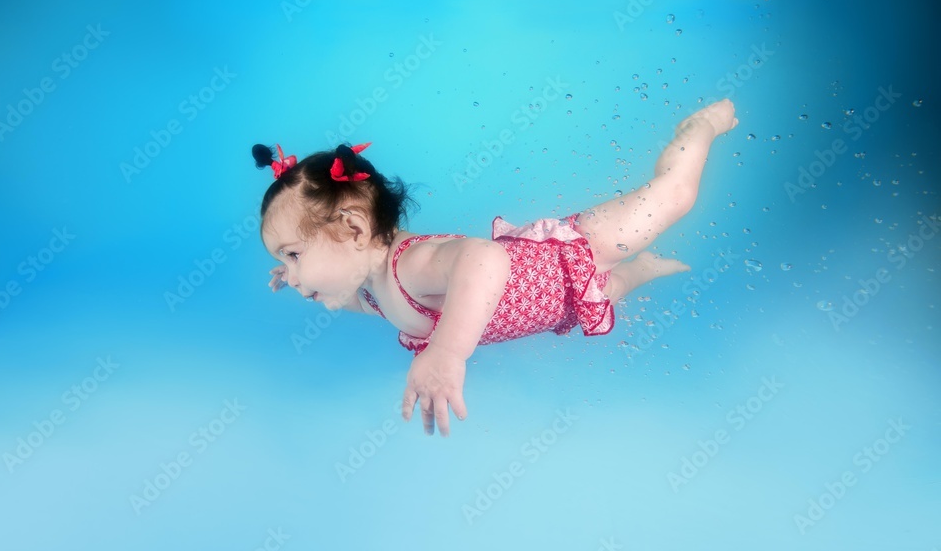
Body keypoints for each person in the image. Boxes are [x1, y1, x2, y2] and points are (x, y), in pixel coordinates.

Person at [254, 99, 738, 437]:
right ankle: (645, 269)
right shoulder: (375, 288)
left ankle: (699, 129)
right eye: (283, 261)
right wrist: (311, 279)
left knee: (675, 198)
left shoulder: (411, 265)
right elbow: (360, 300)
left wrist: (446, 353)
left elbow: (485, 259)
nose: (289, 273)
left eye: (293, 255)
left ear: (355, 229)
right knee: (605, 293)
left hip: (573, 250)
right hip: (560, 302)